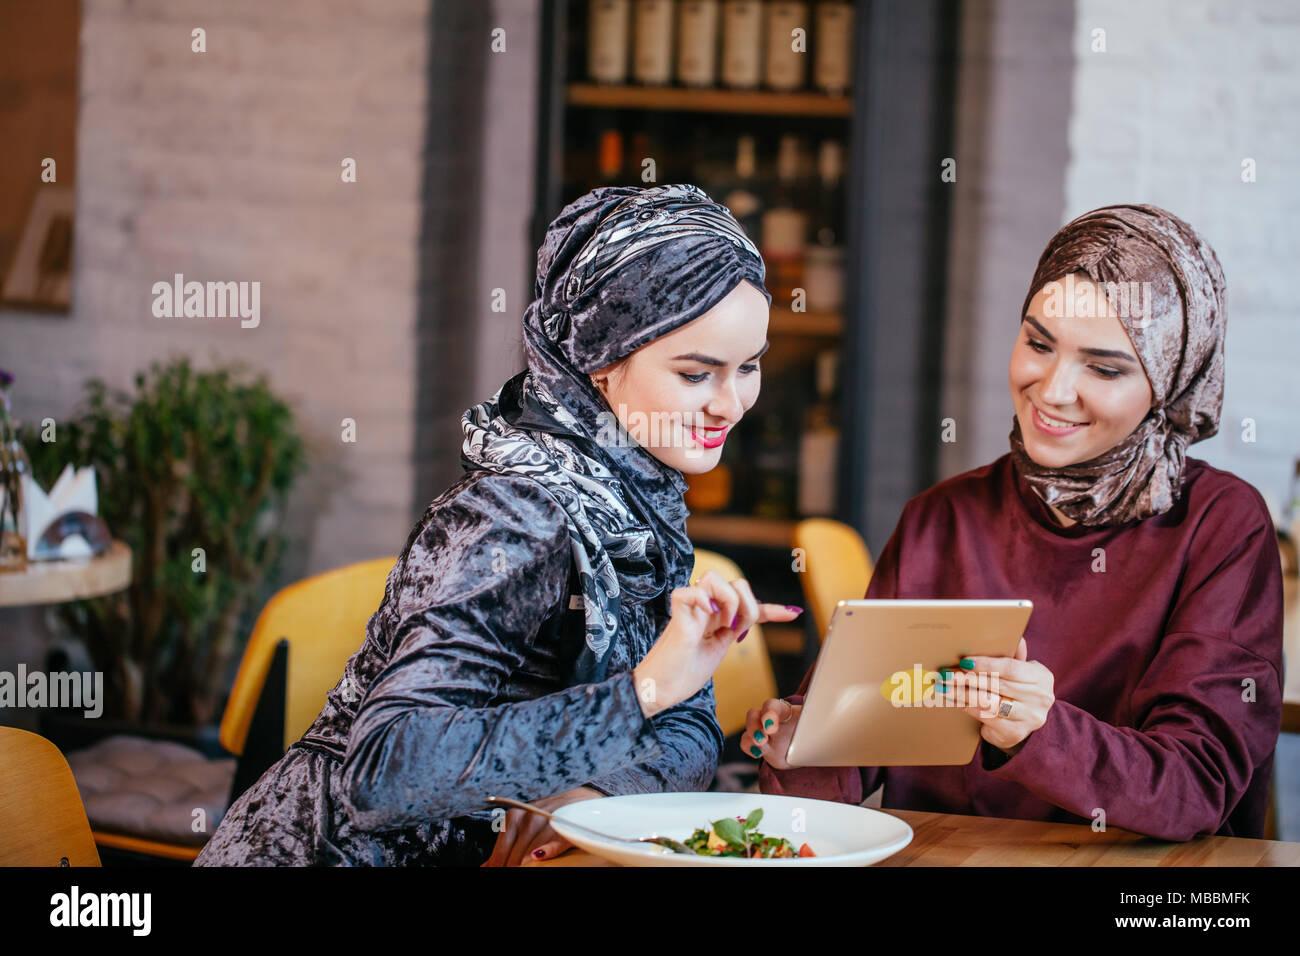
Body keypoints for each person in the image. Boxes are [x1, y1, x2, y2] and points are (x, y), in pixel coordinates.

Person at [194, 183, 801, 866]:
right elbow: (385, 771)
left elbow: (689, 729)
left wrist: (595, 793)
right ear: (601, 364)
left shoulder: (640, 505)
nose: (731, 404)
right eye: (697, 374)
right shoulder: (514, 516)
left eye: (748, 366)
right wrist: (640, 694)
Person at [751, 204, 1283, 842]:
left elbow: (1197, 786)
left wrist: (1042, 732)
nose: (1052, 389)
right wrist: (797, 751)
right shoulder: (941, 517)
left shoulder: (1222, 526)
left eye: (1105, 368)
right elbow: (851, 756)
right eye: (1037, 343)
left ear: (1169, 383)